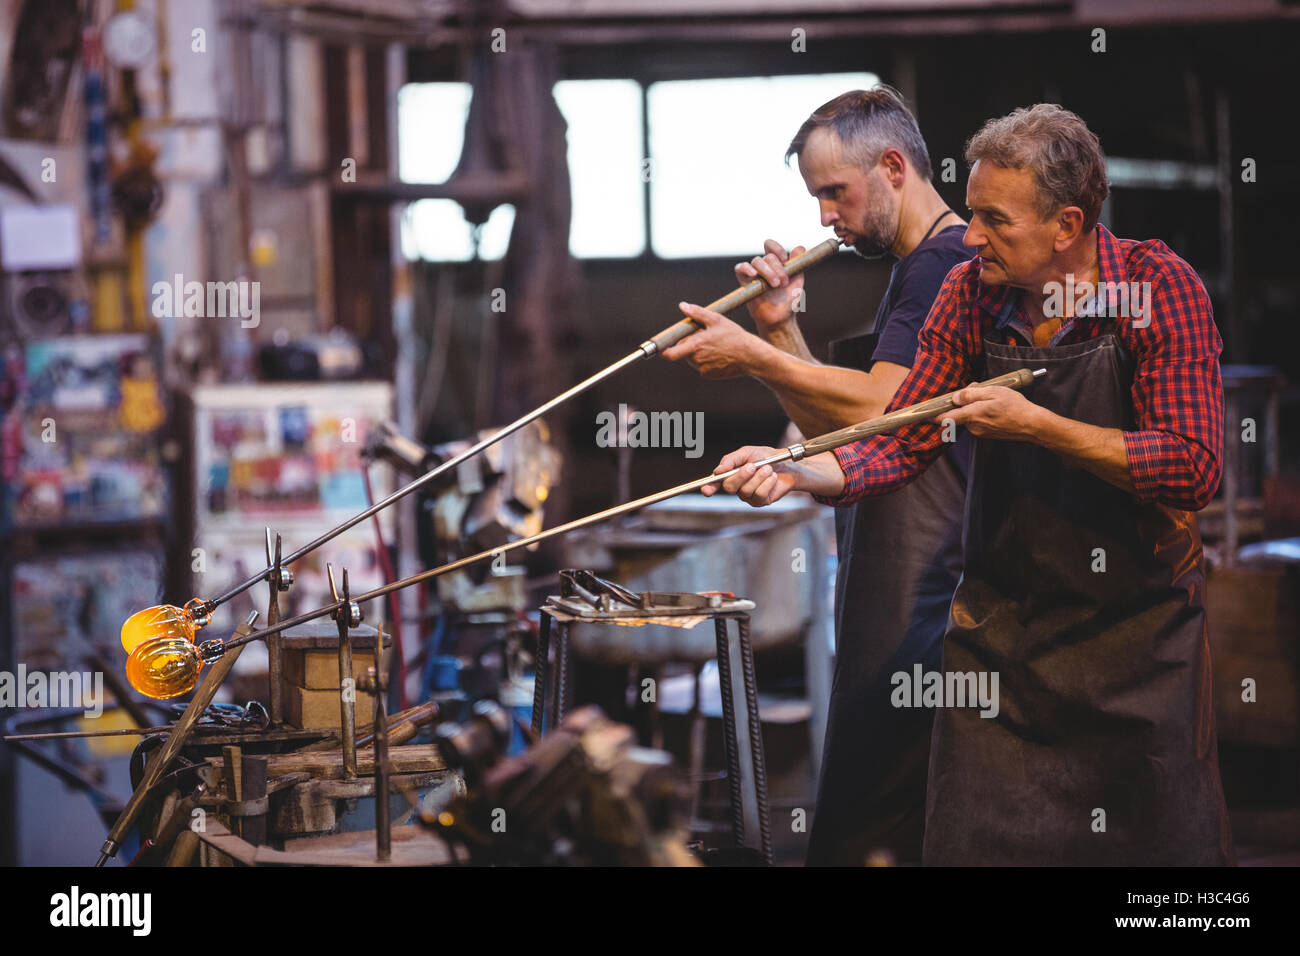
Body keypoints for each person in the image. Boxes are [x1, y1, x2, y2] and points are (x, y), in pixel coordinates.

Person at [706, 103, 1235, 866]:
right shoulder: (969, 291)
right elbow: (902, 441)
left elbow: (1192, 467)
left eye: (995, 219)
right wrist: (795, 473)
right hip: (1005, 648)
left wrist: (1039, 425)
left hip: (1138, 651)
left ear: (1068, 224)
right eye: (973, 210)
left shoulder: (1158, 288)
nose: (973, 234)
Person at [665, 88, 972, 865]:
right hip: (893, 577)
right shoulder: (913, 268)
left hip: (935, 585)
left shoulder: (946, 263)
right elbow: (851, 435)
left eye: (835, 193)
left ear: (894, 167)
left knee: (885, 824)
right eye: (816, 198)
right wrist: (778, 328)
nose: (825, 218)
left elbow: (886, 404)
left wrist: (751, 355)